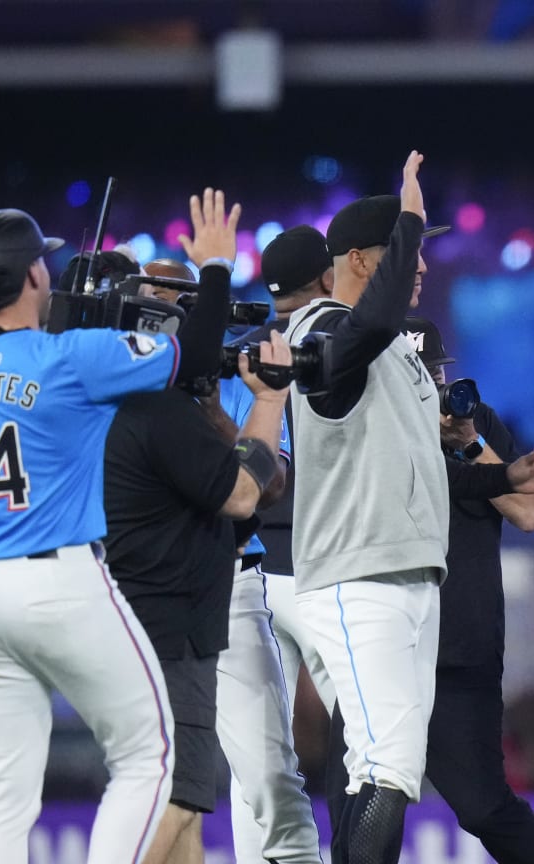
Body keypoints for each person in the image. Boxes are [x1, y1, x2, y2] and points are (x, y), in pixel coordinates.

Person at [285, 151, 534, 864]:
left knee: (379, 776)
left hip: (409, 583)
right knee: (383, 771)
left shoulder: (396, 357)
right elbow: (361, 329)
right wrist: (411, 216)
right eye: (409, 252)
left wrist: (500, 472)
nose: (422, 265)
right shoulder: (322, 326)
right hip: (362, 579)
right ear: (361, 258)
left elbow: (429, 473)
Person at [0, 203, 229, 863]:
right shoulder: (72, 356)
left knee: (3, 787)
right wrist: (219, 269)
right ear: (31, 275)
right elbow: (195, 352)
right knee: (149, 754)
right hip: (58, 577)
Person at [100, 190, 296, 864]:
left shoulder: (194, 386)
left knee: (195, 797)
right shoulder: (150, 399)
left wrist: (221, 401)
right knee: (176, 797)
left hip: (195, 605)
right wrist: (261, 400)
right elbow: (242, 491)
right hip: (170, 615)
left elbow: (269, 481)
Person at [415, 316, 534, 862]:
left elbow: (528, 514)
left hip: (462, 642)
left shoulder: (477, 422)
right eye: (418, 372)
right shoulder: (367, 428)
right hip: (379, 640)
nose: (432, 384)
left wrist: (469, 443)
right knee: (359, 793)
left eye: (435, 370)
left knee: (482, 806)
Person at [215, 225, 337, 864]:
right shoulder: (349, 341)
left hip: (255, 572)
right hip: (323, 571)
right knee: (362, 747)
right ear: (328, 276)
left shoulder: (243, 352)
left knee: (257, 761)